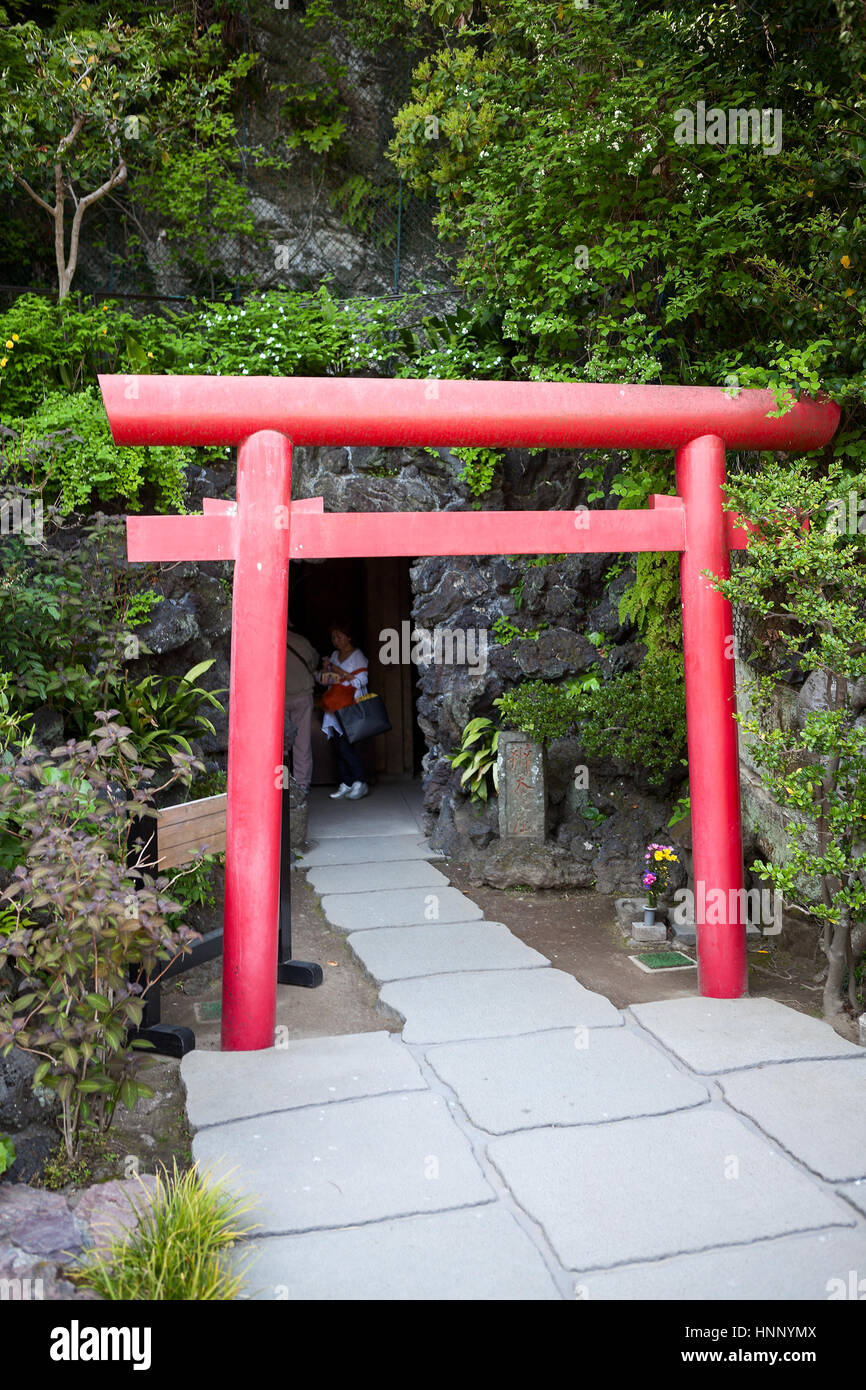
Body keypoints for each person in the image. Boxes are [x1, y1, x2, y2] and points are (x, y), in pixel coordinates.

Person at [318, 622, 369, 800]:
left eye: (339, 636)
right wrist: (326, 669)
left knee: (346, 746)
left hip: (350, 705)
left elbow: (361, 681)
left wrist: (338, 671)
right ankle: (347, 782)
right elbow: (325, 681)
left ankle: (360, 781)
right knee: (339, 746)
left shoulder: (358, 656)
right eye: (333, 637)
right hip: (335, 704)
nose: (336, 640)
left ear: (349, 637)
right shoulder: (333, 655)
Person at [283, 618, 319, 797]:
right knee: (302, 744)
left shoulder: (269, 641)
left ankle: (281, 785)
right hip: (302, 696)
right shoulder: (302, 642)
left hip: (279, 699)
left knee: (279, 747)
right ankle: (302, 786)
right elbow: (313, 662)